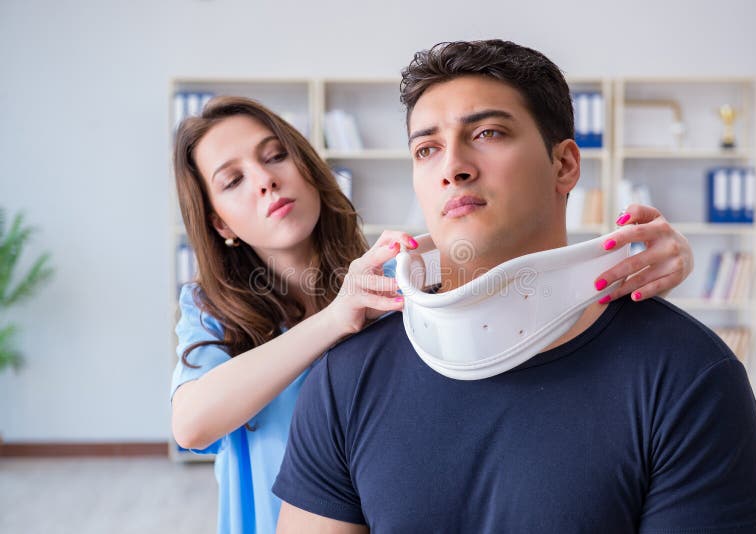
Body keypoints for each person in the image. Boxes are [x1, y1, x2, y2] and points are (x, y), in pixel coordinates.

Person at [272, 40, 756, 533]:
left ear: (565, 166)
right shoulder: (347, 379)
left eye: (488, 132)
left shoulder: (688, 375)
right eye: (427, 149)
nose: (453, 168)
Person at [170, 96, 693, 534]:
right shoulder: (212, 312)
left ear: (306, 166)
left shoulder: (398, 272)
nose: (265, 181)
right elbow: (191, 425)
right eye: (233, 180)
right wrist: (335, 319)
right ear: (220, 223)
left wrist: (646, 254)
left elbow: (512, 261)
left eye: (276, 156)